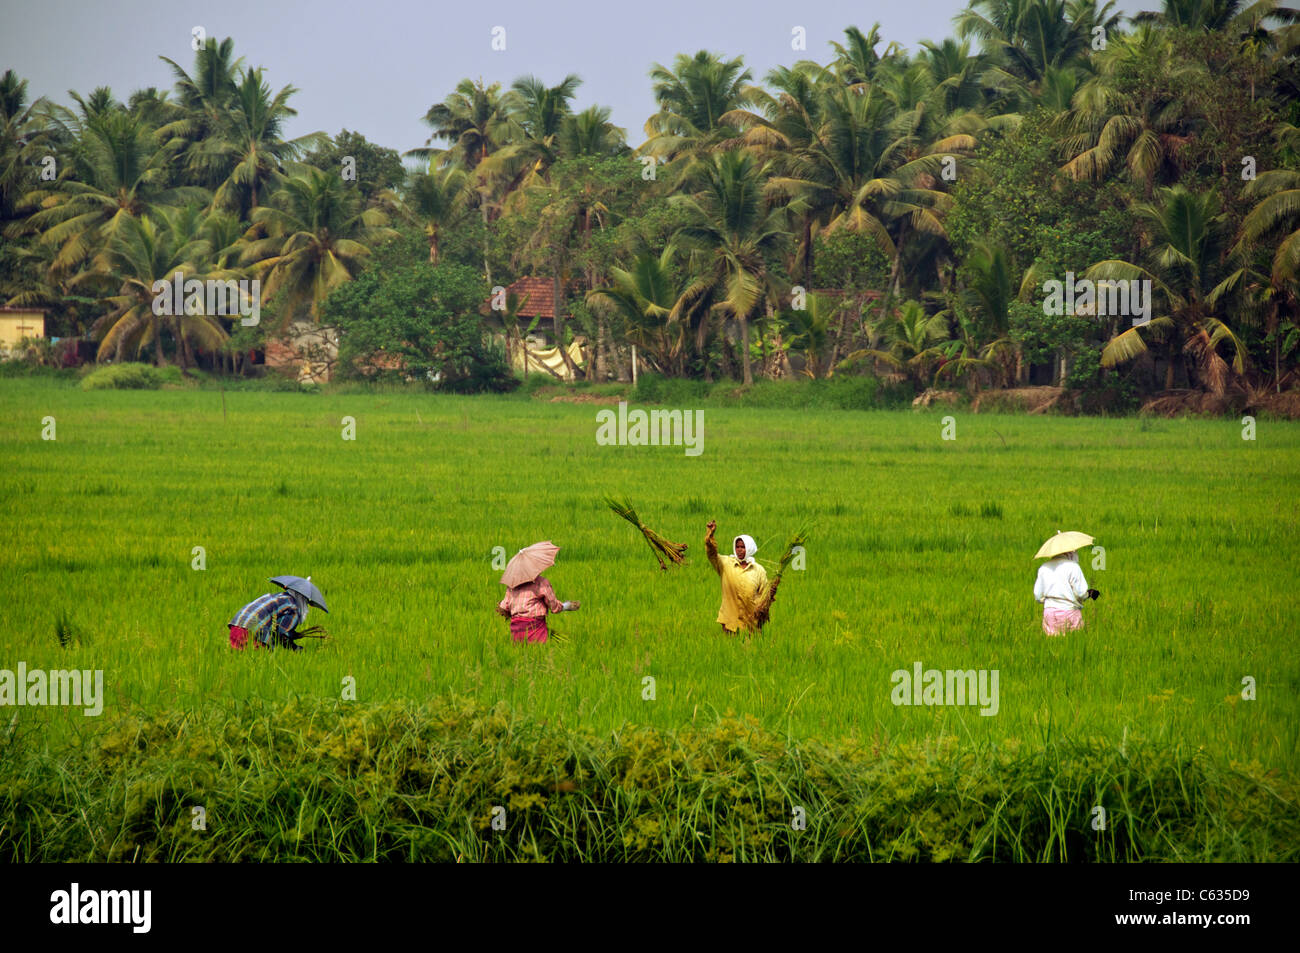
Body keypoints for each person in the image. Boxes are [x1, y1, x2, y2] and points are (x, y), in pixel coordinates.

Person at [705, 520, 778, 634]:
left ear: (749, 548)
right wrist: (710, 536)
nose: (739, 549)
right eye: (737, 546)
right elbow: (712, 555)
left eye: (743, 547)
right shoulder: (726, 564)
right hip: (730, 620)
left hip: (751, 620)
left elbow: (764, 594)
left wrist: (769, 595)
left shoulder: (758, 570)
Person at [496, 575, 580, 644]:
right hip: (535, 626)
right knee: (539, 656)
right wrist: (565, 606)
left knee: (521, 655)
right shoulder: (541, 582)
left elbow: (504, 607)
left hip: (516, 629)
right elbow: (553, 606)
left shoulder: (512, 584)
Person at [1033, 550, 1099, 635]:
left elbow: (1038, 596)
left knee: (1051, 644)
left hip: (1049, 613)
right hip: (1070, 611)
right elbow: (1081, 593)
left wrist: (1050, 600)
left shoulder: (1044, 568)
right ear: (1069, 552)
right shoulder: (1073, 567)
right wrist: (1089, 594)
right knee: (1074, 642)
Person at [229, 588, 310, 651]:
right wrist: (296, 648)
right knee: (261, 661)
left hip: (236, 625)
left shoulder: (277, 597)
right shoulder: (293, 607)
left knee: (239, 660)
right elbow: (282, 635)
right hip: (253, 631)